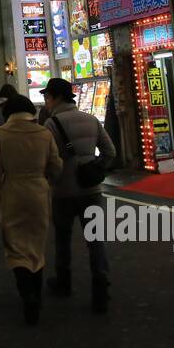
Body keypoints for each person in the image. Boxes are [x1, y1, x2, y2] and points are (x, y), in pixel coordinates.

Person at [0, 94, 61, 325]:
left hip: (12, 194)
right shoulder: (44, 134)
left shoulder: (1, 135)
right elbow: (56, 165)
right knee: (37, 245)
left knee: (16, 247)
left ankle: (27, 294)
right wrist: (47, 180)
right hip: (38, 192)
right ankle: (36, 292)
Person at [41, 78, 117, 313]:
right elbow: (110, 152)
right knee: (95, 240)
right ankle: (101, 288)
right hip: (91, 191)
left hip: (63, 192)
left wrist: (53, 178)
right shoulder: (91, 119)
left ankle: (64, 282)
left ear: (56, 98)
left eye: (47, 97)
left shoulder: (51, 125)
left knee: (63, 238)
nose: (46, 101)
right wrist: (95, 169)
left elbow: (47, 160)